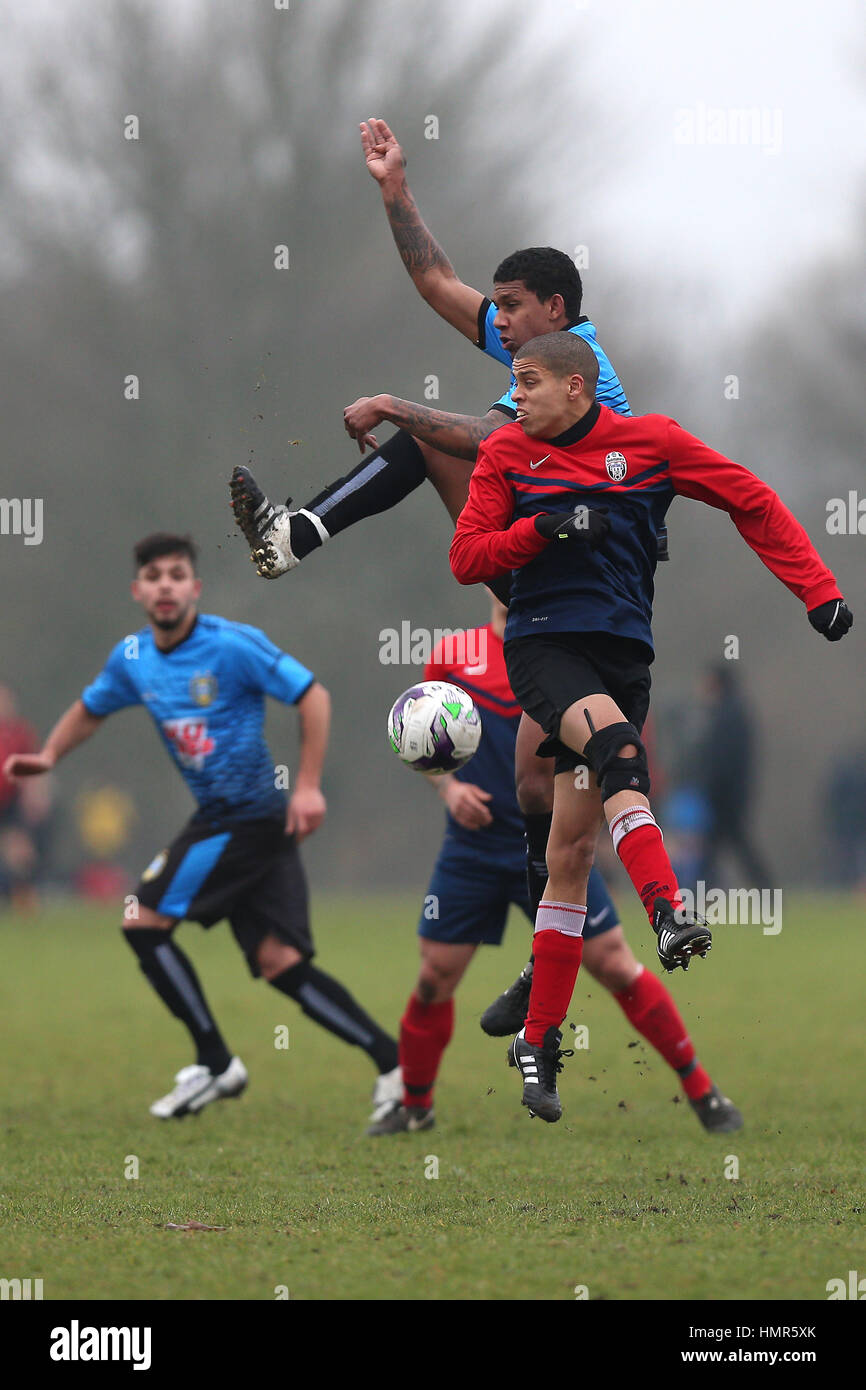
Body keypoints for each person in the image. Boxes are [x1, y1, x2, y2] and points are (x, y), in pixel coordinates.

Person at [229, 114, 652, 1042]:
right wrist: (394, 189)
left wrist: (392, 401)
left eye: (509, 306)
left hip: (588, 599)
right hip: (534, 585)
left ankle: (297, 534)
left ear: (556, 309)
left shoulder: (584, 377)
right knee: (537, 797)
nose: (495, 319)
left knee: (556, 803)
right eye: (494, 308)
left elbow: (491, 440)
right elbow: (431, 279)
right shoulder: (528, 353)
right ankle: (548, 968)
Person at [449, 332, 852, 1123]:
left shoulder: (651, 444)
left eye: (527, 382)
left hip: (623, 663)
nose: (514, 395)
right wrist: (544, 531)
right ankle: (668, 911)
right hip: (544, 648)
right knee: (621, 749)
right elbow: (467, 557)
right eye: (512, 383)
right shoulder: (504, 454)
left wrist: (817, 589)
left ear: (577, 388)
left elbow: (752, 499)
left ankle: (537, 1039)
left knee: (568, 853)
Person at [2, 533, 400, 1121]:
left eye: (177, 574)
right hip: (237, 822)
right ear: (139, 591)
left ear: (195, 587)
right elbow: (92, 707)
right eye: (154, 575)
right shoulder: (133, 659)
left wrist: (309, 786)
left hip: (247, 816)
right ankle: (395, 1067)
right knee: (280, 963)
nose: (165, 584)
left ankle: (216, 1064)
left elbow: (313, 695)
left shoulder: (234, 646)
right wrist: (50, 757)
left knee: (141, 919)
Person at [369, 594, 743, 1135]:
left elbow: (613, 747)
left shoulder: (561, 655)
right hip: (473, 847)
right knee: (434, 976)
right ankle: (414, 1107)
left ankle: (703, 1092)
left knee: (615, 964)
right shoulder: (453, 656)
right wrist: (448, 790)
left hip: (554, 842)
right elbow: (419, 741)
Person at [694, 664, 772, 889]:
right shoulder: (735, 711)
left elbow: (723, 760)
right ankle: (703, 891)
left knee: (724, 845)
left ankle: (700, 892)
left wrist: (713, 789)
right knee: (722, 846)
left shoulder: (726, 715)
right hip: (731, 795)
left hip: (726, 796)